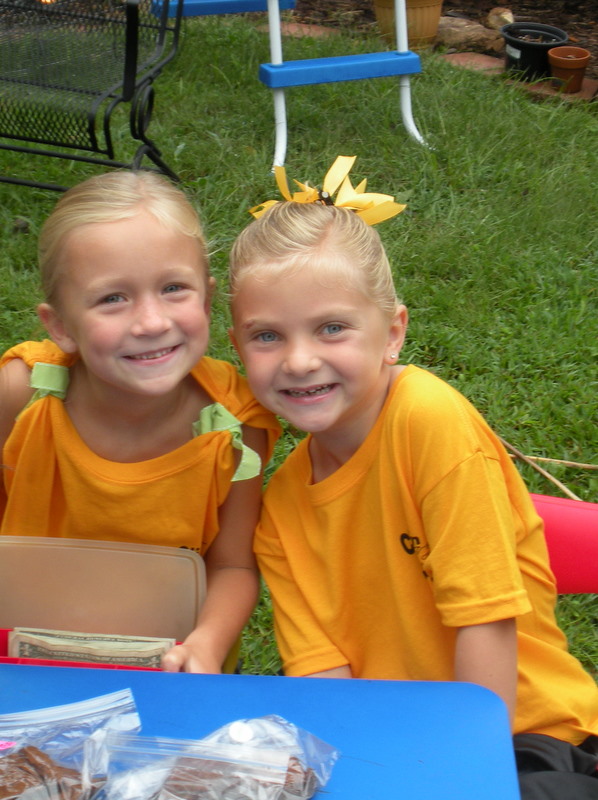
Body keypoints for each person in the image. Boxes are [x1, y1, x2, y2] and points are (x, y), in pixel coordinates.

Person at [229, 158, 598, 798]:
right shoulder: (279, 507)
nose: (299, 359)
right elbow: (326, 680)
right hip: (399, 749)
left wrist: (458, 776)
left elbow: (485, 625)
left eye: (332, 328)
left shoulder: (428, 422)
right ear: (238, 348)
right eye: (267, 336)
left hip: (526, 735)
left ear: (393, 331)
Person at [0, 171, 279, 675]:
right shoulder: (22, 395)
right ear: (61, 325)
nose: (151, 322)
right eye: (113, 298)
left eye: (173, 288)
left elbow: (234, 563)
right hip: (24, 659)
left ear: (207, 299)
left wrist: (208, 645)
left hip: (172, 669)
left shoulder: (234, 426)